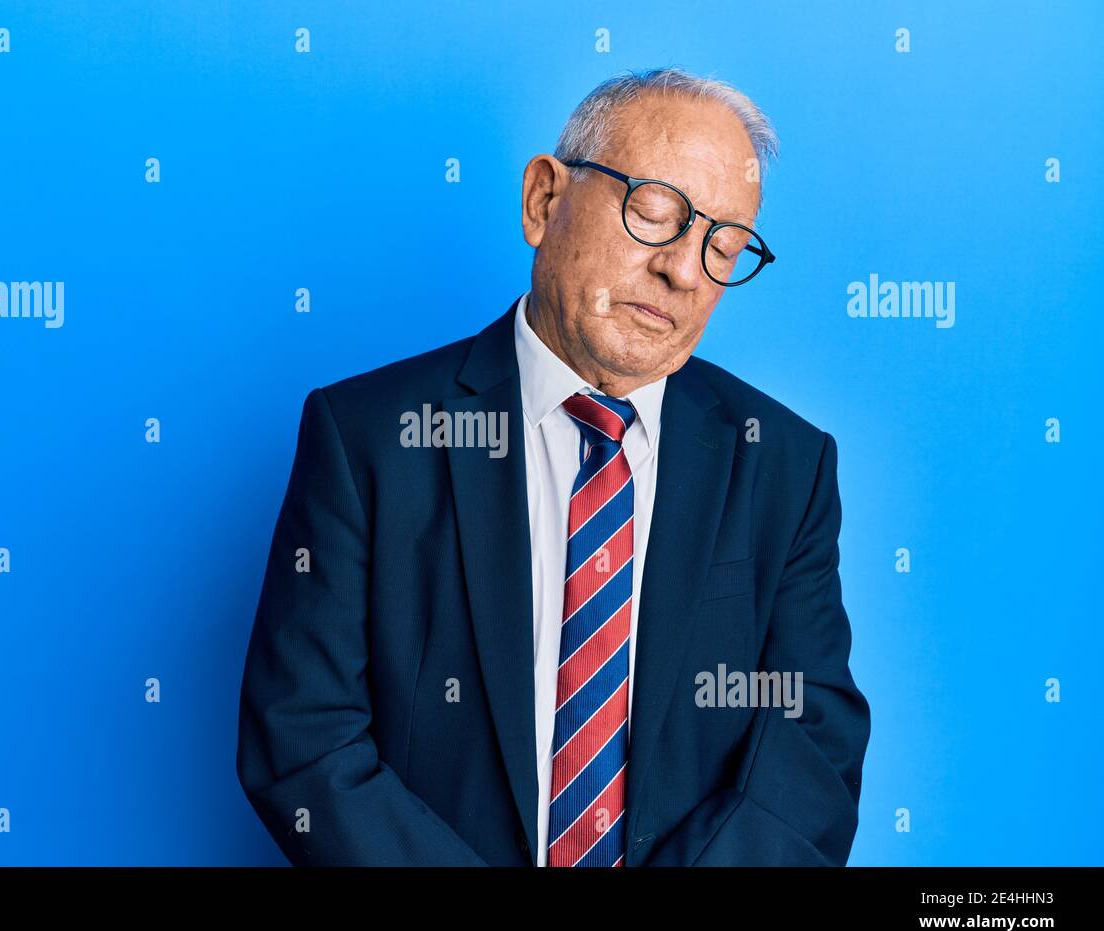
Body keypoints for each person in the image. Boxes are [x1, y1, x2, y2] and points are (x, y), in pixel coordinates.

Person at [237, 67, 871, 866]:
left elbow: (810, 736)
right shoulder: (366, 436)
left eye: (724, 245)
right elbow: (302, 737)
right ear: (544, 200)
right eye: (654, 213)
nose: (682, 270)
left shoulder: (785, 461)